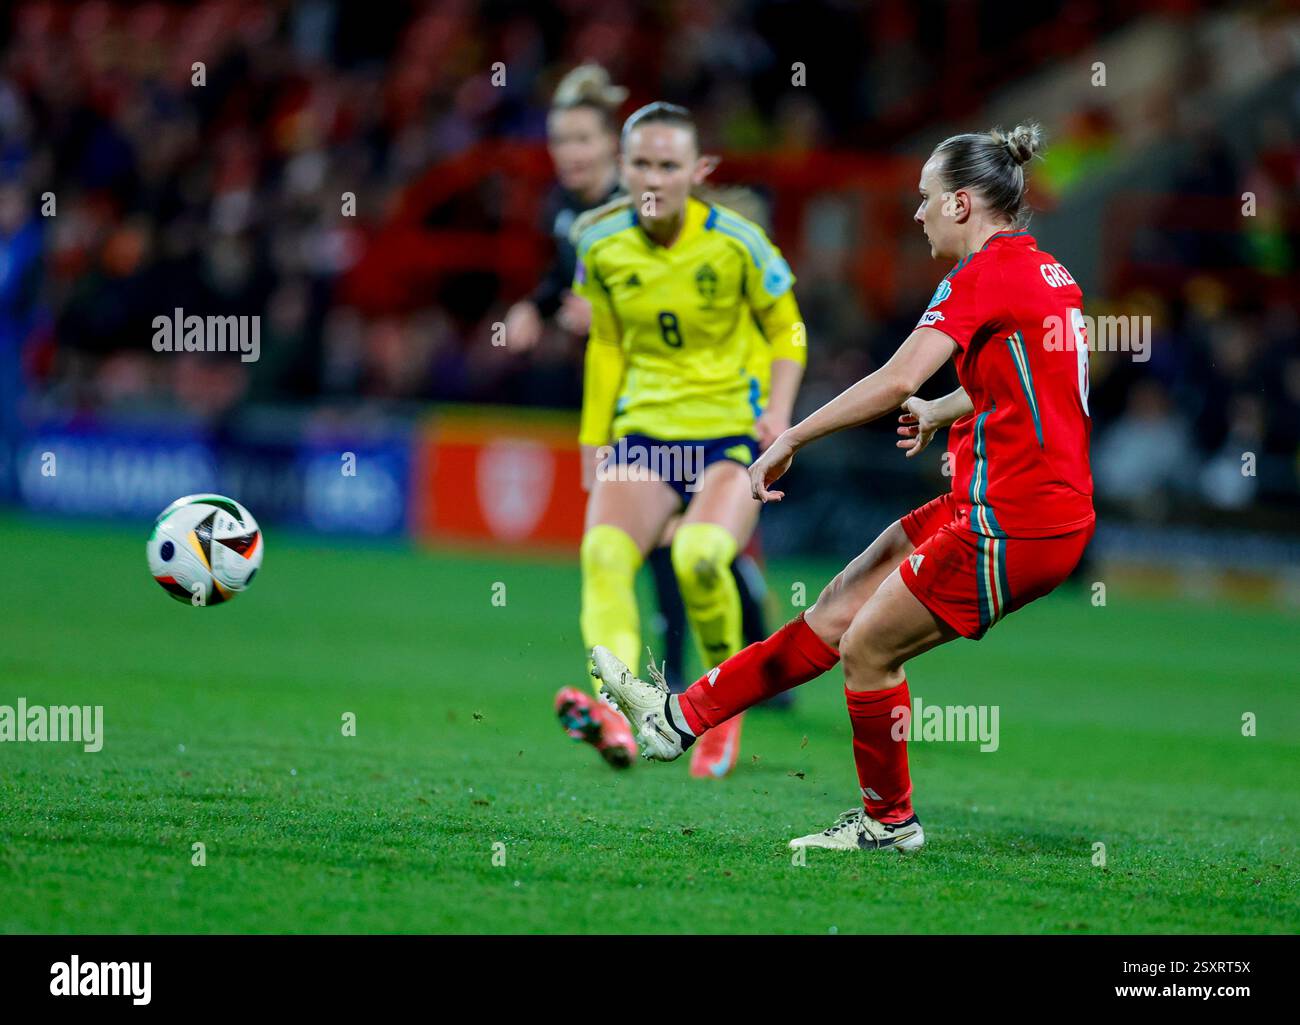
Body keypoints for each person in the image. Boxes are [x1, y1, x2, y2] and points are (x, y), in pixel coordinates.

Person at [593, 122, 1096, 850]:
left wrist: (793, 434)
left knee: (867, 650)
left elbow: (895, 376)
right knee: (835, 612)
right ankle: (677, 719)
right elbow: (1031, 386)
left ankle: (889, 822)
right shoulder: (1049, 272)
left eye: (924, 200)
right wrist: (946, 407)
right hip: (1001, 503)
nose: (916, 214)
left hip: (1014, 519)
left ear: (960, 205)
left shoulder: (982, 274)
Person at [554, 101, 808, 778]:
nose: (653, 178)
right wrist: (592, 436)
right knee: (604, 553)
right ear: (621, 165)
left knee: (700, 557)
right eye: (640, 162)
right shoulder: (599, 240)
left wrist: (779, 411)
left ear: (697, 170)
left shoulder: (737, 242)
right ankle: (614, 705)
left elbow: (787, 328)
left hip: (728, 434)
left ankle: (720, 708)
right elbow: (606, 340)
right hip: (644, 437)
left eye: (668, 164)